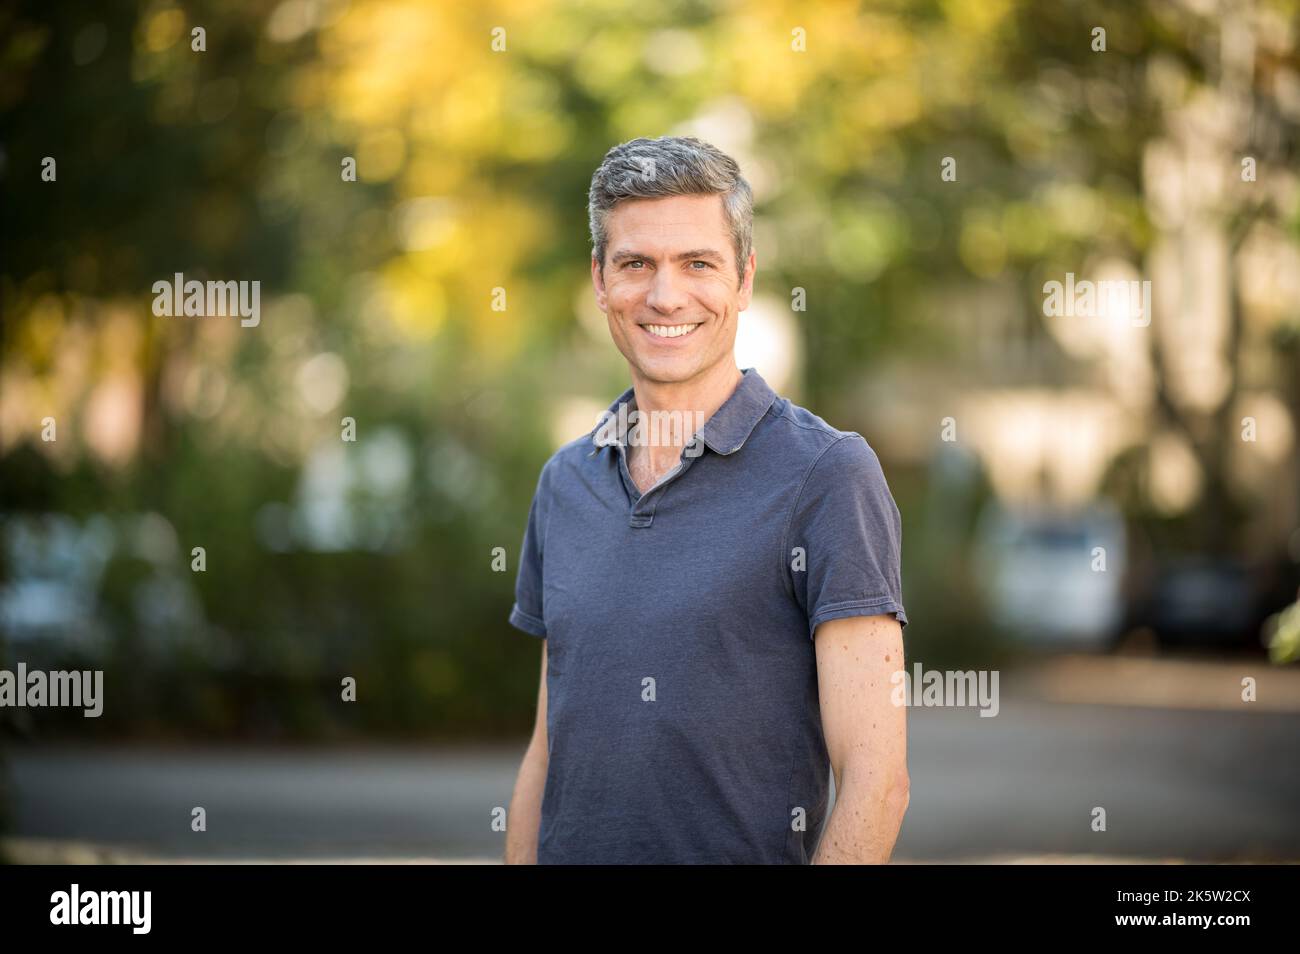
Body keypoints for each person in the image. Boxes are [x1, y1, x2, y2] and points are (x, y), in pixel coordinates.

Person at [504, 135, 909, 864]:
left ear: (744, 278)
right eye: (636, 263)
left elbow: (876, 781)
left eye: (698, 263)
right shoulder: (565, 483)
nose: (665, 296)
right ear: (599, 279)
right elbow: (545, 752)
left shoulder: (827, 476)